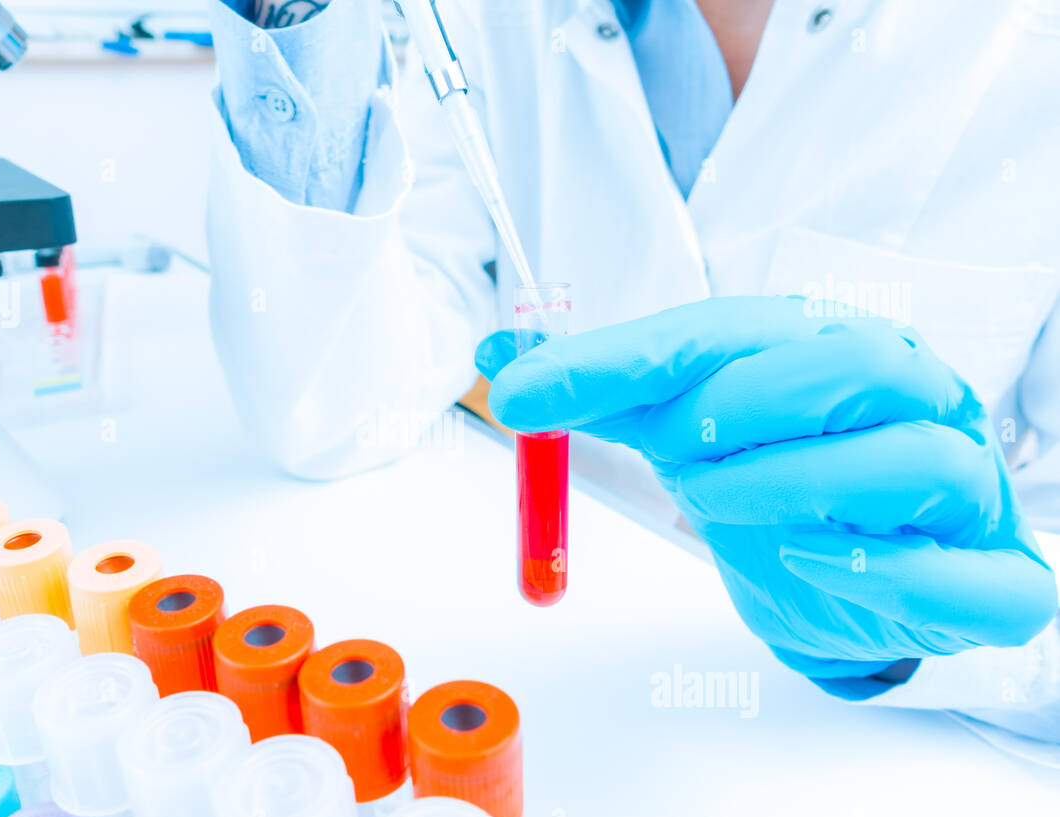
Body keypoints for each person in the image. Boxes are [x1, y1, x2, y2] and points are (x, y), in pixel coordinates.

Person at [204, 0, 1060, 742]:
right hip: (569, 685)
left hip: (886, 771)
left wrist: (931, 624)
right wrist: (292, 16)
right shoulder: (489, 23)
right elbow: (330, 406)